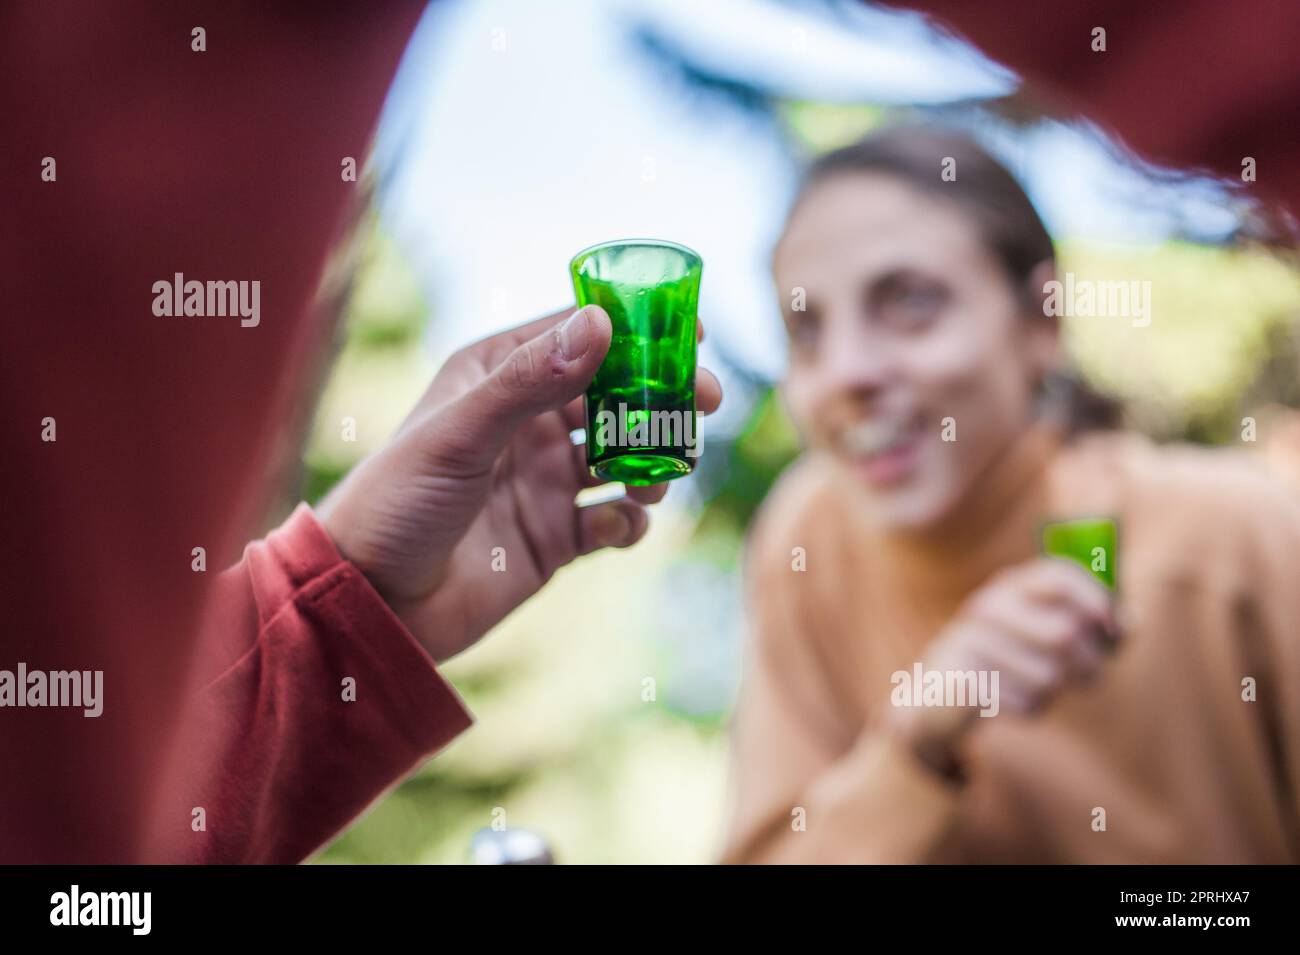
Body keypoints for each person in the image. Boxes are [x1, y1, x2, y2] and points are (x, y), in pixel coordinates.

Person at [721, 127, 1300, 863]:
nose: (846, 373)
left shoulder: (1239, 537)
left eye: (910, 302)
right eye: (806, 331)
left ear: (1041, 321)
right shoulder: (805, 541)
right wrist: (913, 744)